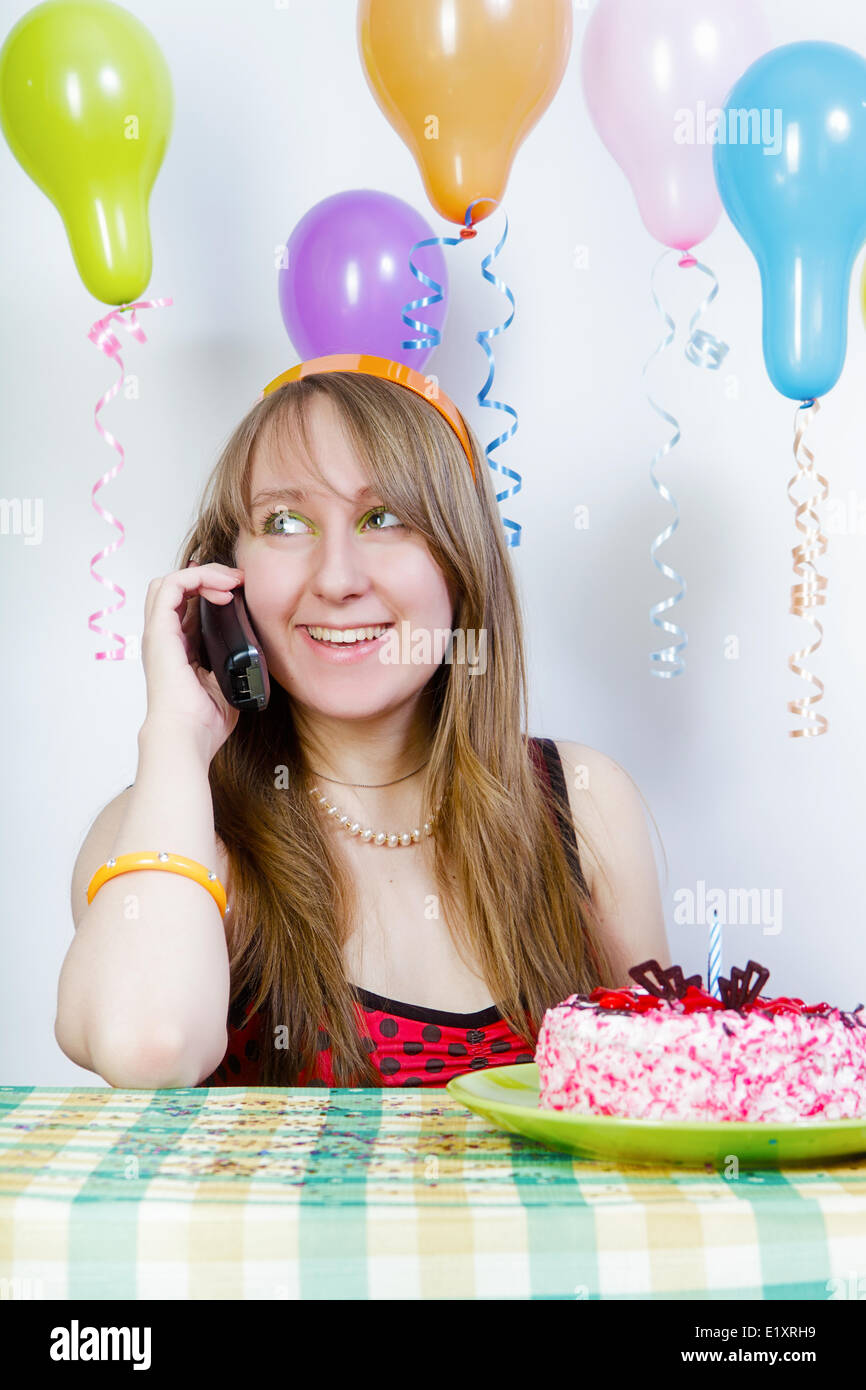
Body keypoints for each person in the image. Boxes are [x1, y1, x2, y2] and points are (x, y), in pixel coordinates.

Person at [56, 356, 670, 1089]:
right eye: (286, 523)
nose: (339, 578)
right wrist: (172, 738)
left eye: (385, 518)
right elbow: (146, 1049)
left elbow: (665, 1097)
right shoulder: (165, 823)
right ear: (225, 581)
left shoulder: (583, 802)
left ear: (460, 561)